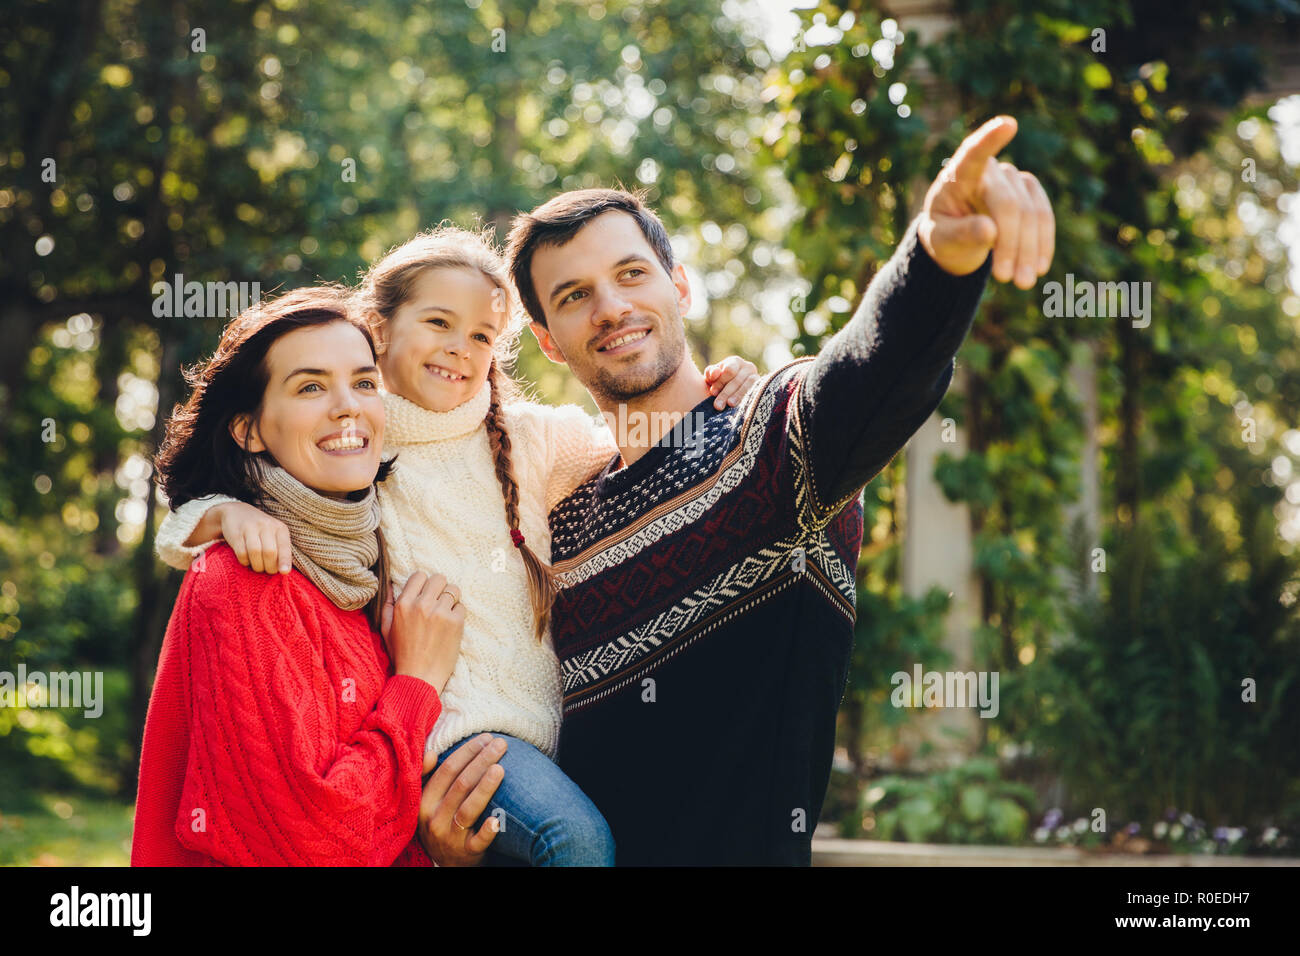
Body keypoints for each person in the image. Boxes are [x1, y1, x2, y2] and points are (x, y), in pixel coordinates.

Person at [470, 114, 1056, 865]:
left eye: (630, 274)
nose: (611, 307)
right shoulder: (555, 514)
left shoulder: (773, 443)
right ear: (549, 339)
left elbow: (873, 374)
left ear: (678, 285)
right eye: (575, 295)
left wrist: (938, 255)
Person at [153, 228, 760, 866]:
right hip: (452, 736)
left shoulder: (528, 437)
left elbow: (647, 436)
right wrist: (220, 512)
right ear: (378, 330)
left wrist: (724, 387)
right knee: (576, 843)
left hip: (547, 729)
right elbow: (232, 497)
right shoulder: (356, 444)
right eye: (439, 321)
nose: (459, 349)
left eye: (480, 336)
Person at [131, 285, 486, 866]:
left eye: (365, 382)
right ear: (248, 429)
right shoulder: (242, 579)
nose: (348, 405)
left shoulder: (360, 571)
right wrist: (418, 681)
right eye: (311, 386)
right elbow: (321, 845)